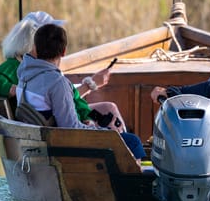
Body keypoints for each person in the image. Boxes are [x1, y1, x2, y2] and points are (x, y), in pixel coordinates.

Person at [16, 23, 145, 159]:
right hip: (63, 149)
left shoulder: (24, 74)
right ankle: (135, 178)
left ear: (35, 48)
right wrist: (99, 130)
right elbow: (70, 128)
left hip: (40, 142)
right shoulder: (57, 83)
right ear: (64, 51)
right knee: (132, 142)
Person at [0, 11, 122, 131]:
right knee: (118, 124)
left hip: (55, 119)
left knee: (109, 108)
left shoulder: (40, 67)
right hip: (53, 126)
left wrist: (87, 118)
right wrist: (16, 90)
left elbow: (65, 97)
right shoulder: (17, 66)